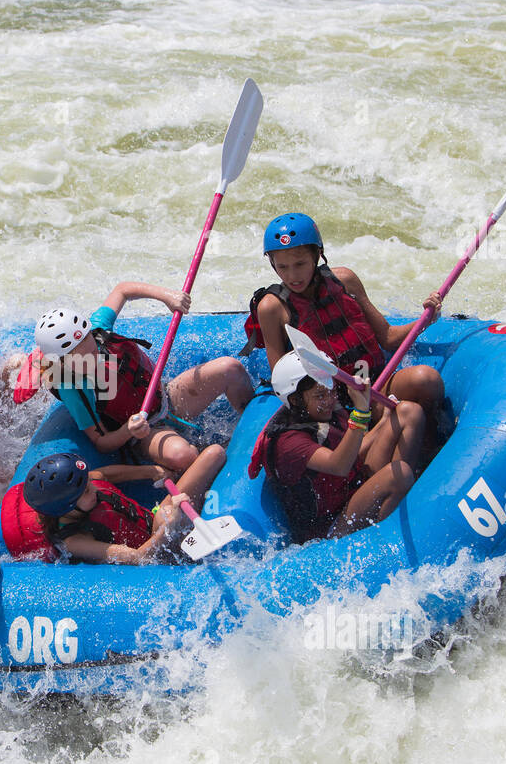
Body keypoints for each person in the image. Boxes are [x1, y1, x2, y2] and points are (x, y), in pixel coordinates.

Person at [34, 282, 253, 474]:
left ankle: (255, 431)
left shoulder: (99, 330)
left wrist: (167, 296)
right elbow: (101, 442)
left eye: (92, 350)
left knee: (230, 368)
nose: (92, 359)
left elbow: (123, 289)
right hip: (143, 431)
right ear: (60, 362)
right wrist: (128, 430)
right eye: (81, 359)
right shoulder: (73, 389)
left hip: (166, 396)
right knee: (182, 456)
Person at [243, 213, 444, 412]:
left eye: (300, 264)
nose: (292, 275)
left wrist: (427, 319)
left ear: (316, 255)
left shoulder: (345, 280)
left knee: (427, 379)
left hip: (375, 384)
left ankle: (427, 441)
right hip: (330, 406)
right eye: (283, 267)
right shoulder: (272, 308)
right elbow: (282, 380)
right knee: (405, 412)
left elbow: (388, 338)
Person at [248, 350, 425, 545]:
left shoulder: (320, 409)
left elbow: (353, 449)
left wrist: (384, 421)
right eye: (320, 395)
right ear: (296, 400)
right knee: (399, 475)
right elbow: (340, 465)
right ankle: (387, 539)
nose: (330, 400)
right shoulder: (289, 442)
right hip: (330, 527)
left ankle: (406, 505)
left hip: (351, 487)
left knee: (409, 413)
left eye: (331, 390)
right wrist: (361, 411)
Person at [0, 446, 225, 565]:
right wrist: (169, 528)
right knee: (168, 513)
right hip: (159, 546)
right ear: (68, 508)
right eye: (88, 490)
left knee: (214, 453)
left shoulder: (84, 486)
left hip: (155, 516)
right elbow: (138, 558)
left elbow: (104, 475)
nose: (95, 488)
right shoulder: (75, 541)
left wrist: (148, 472)